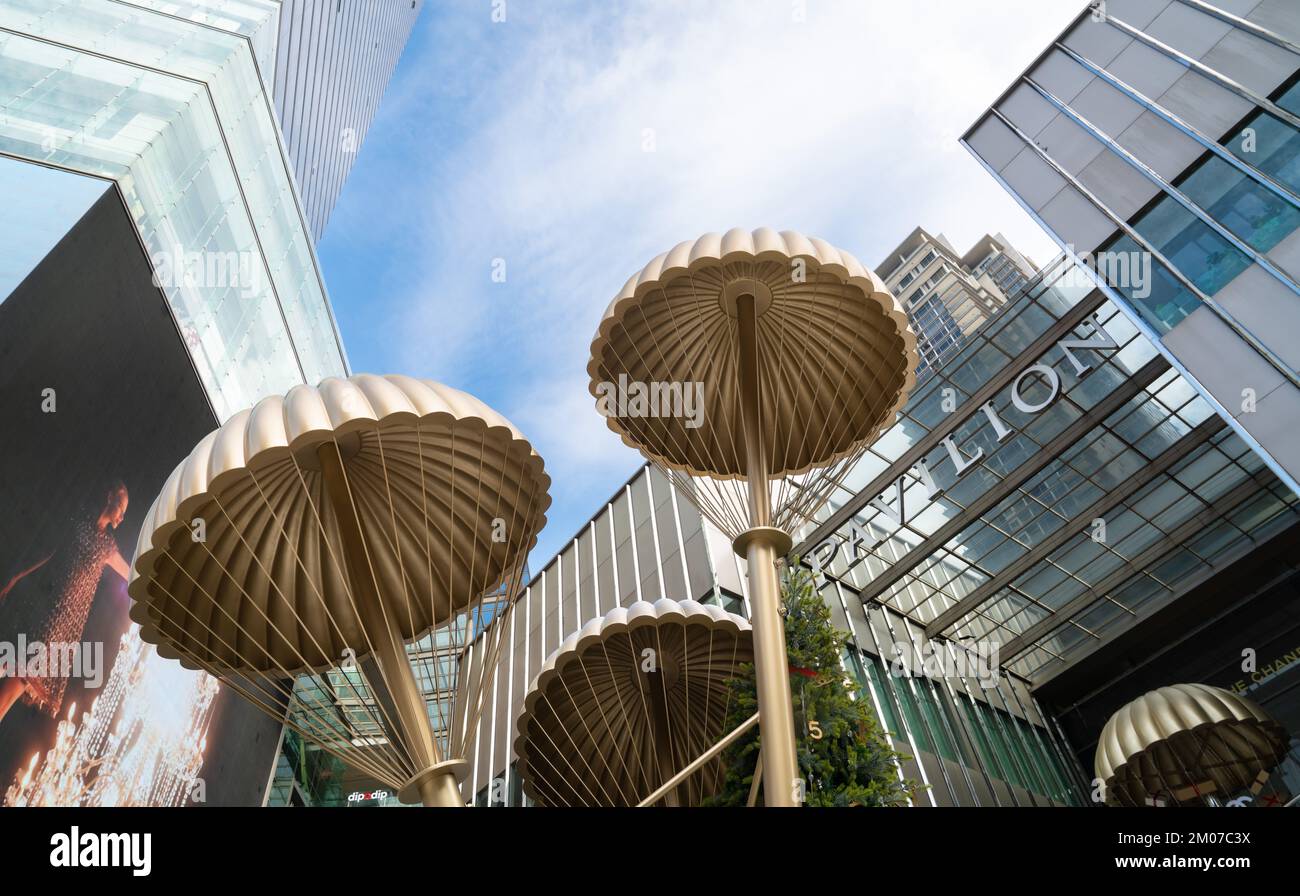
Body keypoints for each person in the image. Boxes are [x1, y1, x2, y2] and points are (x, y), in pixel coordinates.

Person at [0, 482, 130, 725]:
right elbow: (48, 552)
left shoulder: (107, 546)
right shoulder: (79, 520)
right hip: (46, 610)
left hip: (63, 627)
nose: (122, 516)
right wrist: (16, 576)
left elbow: (129, 572)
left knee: (17, 678)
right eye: (121, 507)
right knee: (12, 665)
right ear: (109, 496)